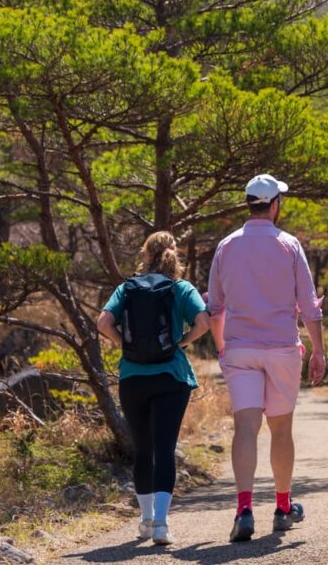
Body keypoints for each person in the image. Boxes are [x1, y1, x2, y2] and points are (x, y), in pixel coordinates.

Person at [206, 173, 326, 542]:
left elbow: (215, 308)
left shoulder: (226, 245)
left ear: (249, 203)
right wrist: (319, 351)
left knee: (245, 428)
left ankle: (243, 510)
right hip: (281, 348)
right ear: (274, 205)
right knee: (281, 429)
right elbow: (308, 306)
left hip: (240, 347)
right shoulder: (289, 245)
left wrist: (223, 346)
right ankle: (283, 506)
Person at [97, 232, 211, 546]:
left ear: (146, 255)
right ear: (174, 256)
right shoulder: (180, 288)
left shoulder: (127, 288)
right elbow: (203, 322)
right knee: (165, 449)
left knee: (143, 449)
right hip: (171, 377)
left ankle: (145, 519)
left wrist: (124, 345)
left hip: (133, 377)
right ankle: (161, 524)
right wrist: (181, 342)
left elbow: (103, 322)